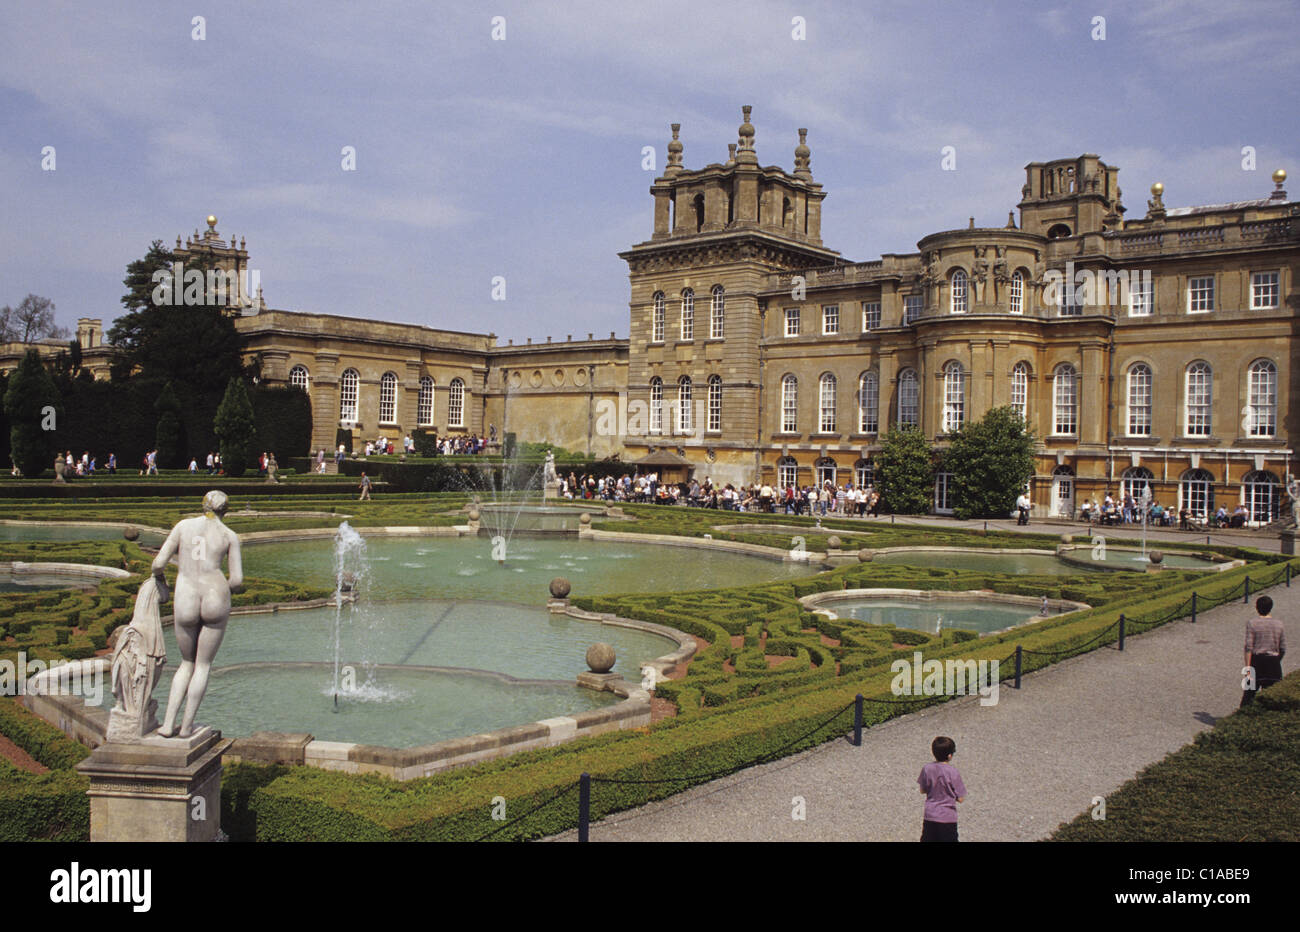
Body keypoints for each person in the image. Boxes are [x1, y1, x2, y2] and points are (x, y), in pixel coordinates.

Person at [153, 490, 243, 738]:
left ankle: (168, 725)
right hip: (215, 594)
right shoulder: (229, 535)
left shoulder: (183, 526)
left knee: (186, 663)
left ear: (203, 505)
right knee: (203, 665)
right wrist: (226, 588)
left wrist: (161, 579)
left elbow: (158, 564)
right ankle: (187, 727)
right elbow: (236, 580)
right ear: (226, 510)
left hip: (186, 594)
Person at [918, 735, 966, 842]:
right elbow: (961, 798)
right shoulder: (953, 772)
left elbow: (922, 790)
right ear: (949, 756)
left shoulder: (927, 769)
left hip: (930, 815)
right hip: (947, 817)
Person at [1241, 595, 1285, 707]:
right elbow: (1283, 648)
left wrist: (1247, 668)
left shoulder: (1252, 623)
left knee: (1248, 696)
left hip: (1256, 662)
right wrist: (1276, 660)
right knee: (1271, 698)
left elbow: (1248, 647)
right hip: (1273, 664)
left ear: (1257, 608)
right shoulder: (1279, 624)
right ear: (1271, 607)